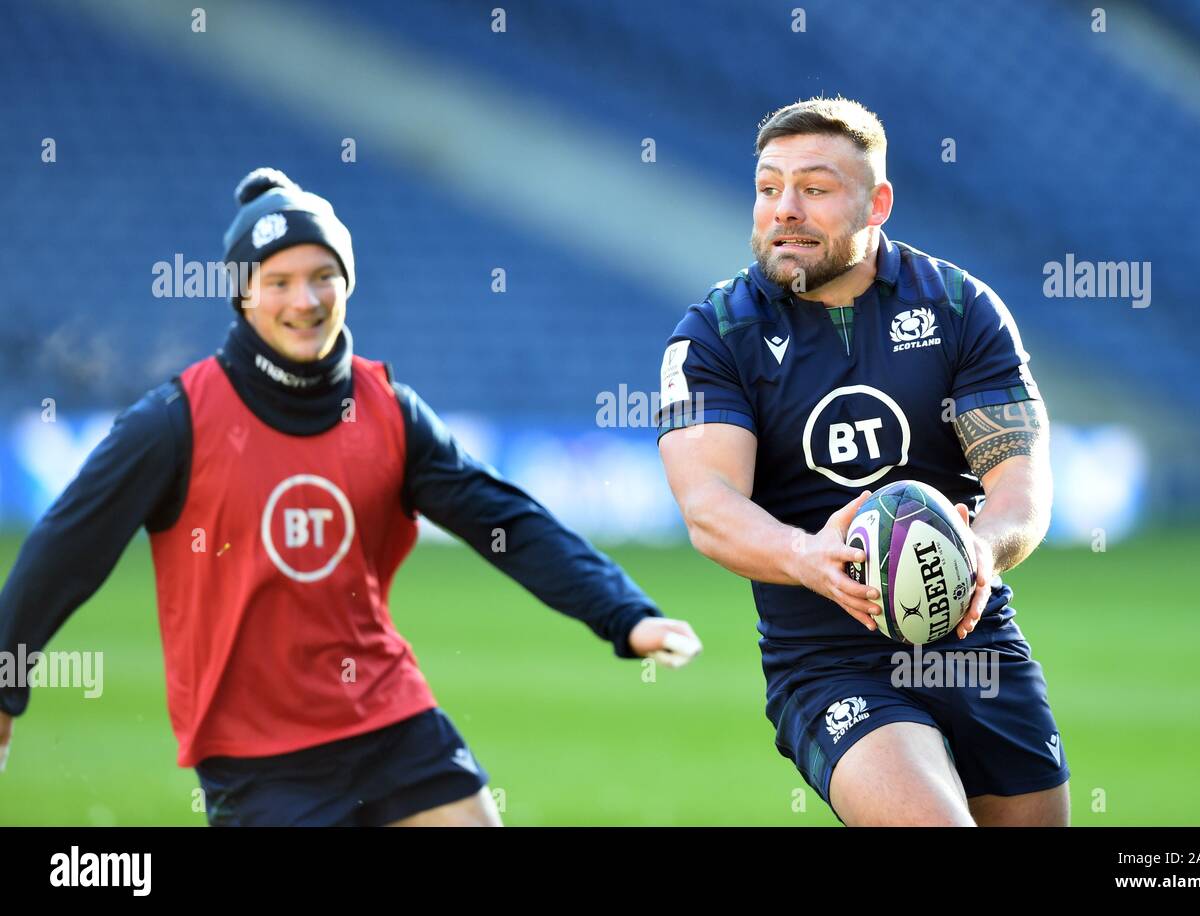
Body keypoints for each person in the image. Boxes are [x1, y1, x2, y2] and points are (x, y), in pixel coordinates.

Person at [0, 168, 701, 826]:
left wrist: (623, 614)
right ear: (243, 294)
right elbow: (68, 548)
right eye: (278, 282)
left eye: (322, 277)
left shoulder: (389, 411)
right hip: (254, 751)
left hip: (386, 717)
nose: (304, 301)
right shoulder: (175, 422)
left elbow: (502, 520)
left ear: (347, 282)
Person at [655, 98, 1067, 826]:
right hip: (826, 662)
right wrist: (804, 555)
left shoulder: (959, 306)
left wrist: (982, 548)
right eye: (768, 187)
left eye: (814, 189)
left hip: (974, 642)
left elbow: (1020, 486)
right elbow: (709, 506)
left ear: (876, 202)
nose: (784, 209)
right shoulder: (716, 333)